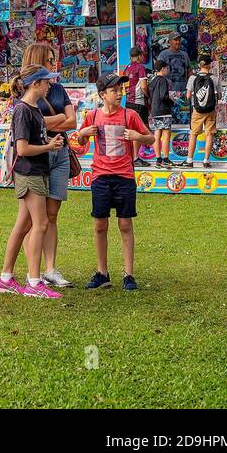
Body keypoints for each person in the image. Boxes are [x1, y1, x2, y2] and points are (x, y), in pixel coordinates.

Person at [71, 74, 154, 291]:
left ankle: (129, 275)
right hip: (100, 176)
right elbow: (80, 141)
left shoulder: (130, 114)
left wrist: (138, 136)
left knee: (125, 224)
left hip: (124, 176)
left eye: (121, 90)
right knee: (100, 224)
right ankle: (102, 273)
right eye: (114, 90)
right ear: (102, 95)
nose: (119, 94)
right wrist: (83, 133)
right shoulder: (93, 115)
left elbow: (151, 138)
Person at [0, 64, 67, 298]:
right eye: (46, 82)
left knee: (23, 225)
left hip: (36, 172)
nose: (49, 85)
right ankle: (34, 281)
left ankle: (5, 278)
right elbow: (22, 149)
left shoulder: (33, 108)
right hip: (29, 173)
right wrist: (49, 145)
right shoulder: (23, 110)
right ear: (35, 83)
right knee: (41, 224)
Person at [22, 41, 76, 289]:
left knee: (52, 214)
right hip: (37, 156)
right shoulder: (25, 88)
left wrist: (47, 122)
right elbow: (32, 122)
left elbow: (72, 121)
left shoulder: (58, 89)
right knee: (33, 218)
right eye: (49, 59)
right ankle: (32, 270)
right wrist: (57, 119)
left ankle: (51, 268)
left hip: (61, 153)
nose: (54, 63)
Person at [185, 55, 219, 168]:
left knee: (193, 134)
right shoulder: (214, 78)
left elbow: (188, 96)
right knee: (209, 134)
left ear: (199, 65)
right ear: (209, 65)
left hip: (197, 110)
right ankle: (206, 161)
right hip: (210, 110)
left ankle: (189, 160)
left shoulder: (192, 78)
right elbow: (219, 96)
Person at [148, 58, 174, 166]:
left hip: (155, 110)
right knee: (166, 133)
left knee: (157, 134)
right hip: (164, 110)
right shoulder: (163, 80)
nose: (167, 70)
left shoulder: (153, 81)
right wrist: (171, 102)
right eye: (166, 68)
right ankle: (166, 158)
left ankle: (158, 159)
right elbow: (164, 96)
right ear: (163, 69)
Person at [124, 46, 150, 131]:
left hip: (128, 103)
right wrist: (149, 96)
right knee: (143, 129)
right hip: (138, 102)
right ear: (139, 56)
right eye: (142, 55)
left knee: (132, 129)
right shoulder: (140, 67)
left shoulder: (126, 69)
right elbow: (143, 86)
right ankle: (144, 144)